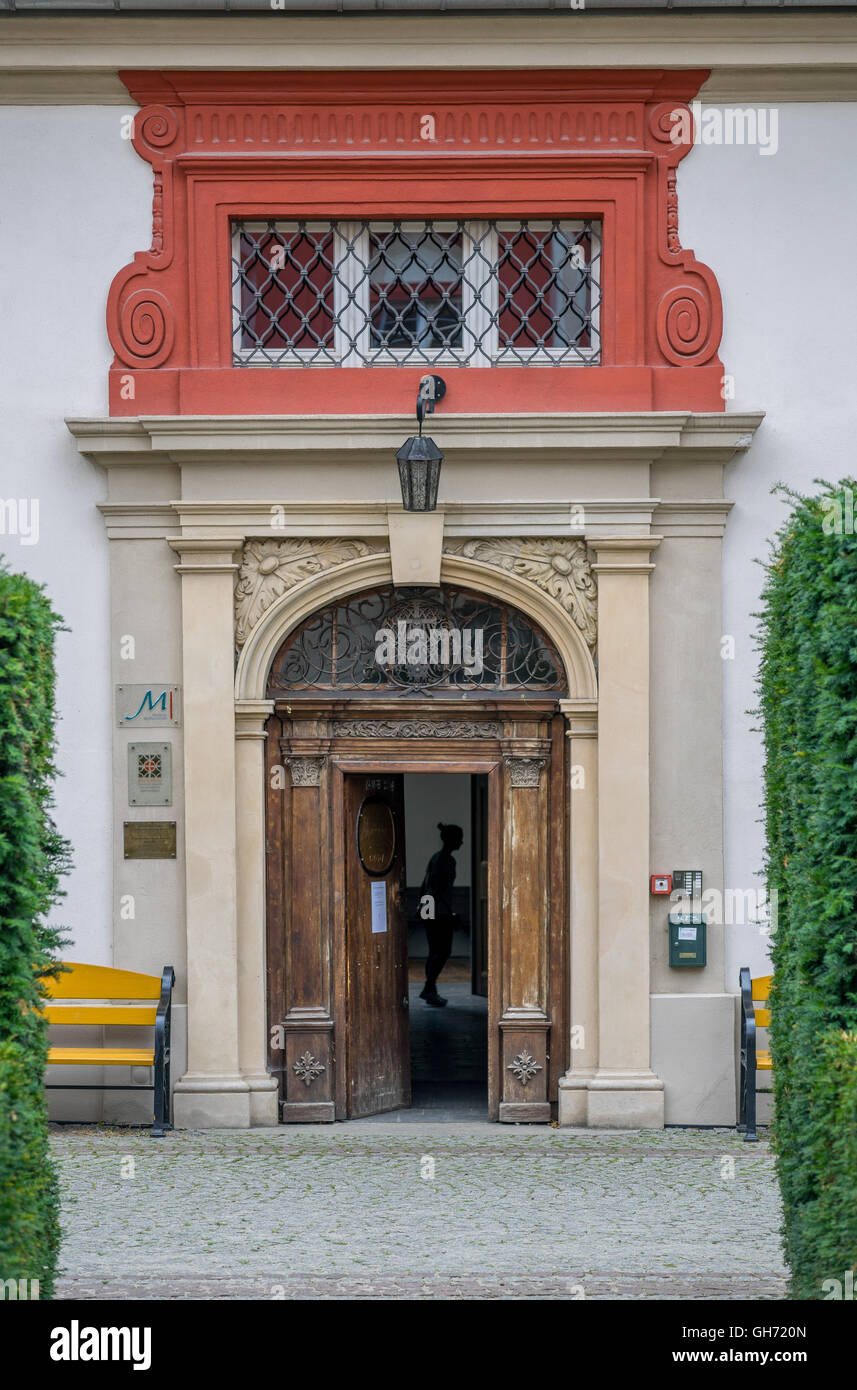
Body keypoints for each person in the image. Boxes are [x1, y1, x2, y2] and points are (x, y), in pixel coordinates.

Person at [419, 821, 463, 1007]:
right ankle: (429, 987)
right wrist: (451, 913)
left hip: (429, 907)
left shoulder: (435, 857)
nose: (462, 842)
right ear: (452, 840)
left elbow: (426, 885)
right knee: (443, 951)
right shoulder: (447, 861)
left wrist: (421, 907)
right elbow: (437, 889)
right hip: (439, 911)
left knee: (434, 950)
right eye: (460, 838)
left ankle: (430, 989)